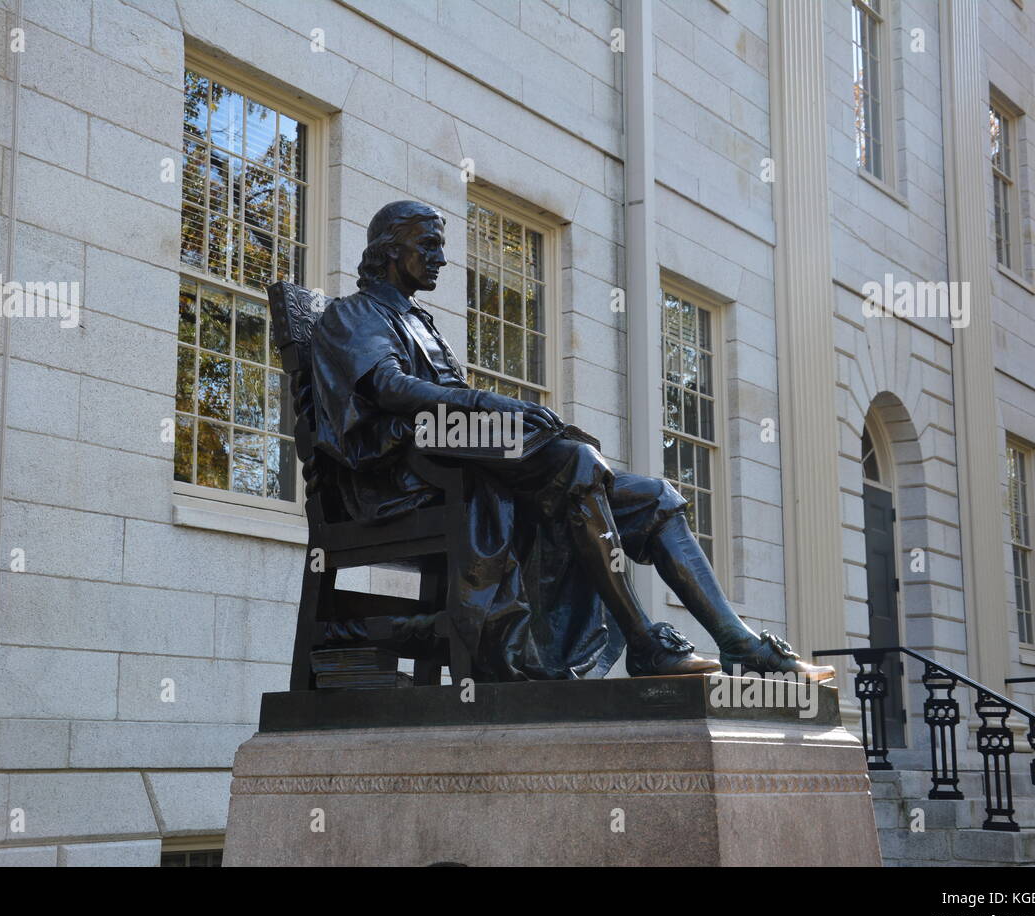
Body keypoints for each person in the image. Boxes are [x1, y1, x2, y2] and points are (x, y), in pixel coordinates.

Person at [310, 200, 833, 683]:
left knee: (653, 497)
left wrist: (498, 414)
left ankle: (736, 639)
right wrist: (491, 404)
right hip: (402, 479)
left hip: (459, 459)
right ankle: (644, 640)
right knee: (575, 460)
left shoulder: (420, 321)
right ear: (388, 249)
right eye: (428, 245)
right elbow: (389, 388)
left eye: (440, 245)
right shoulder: (353, 313)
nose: (442, 258)